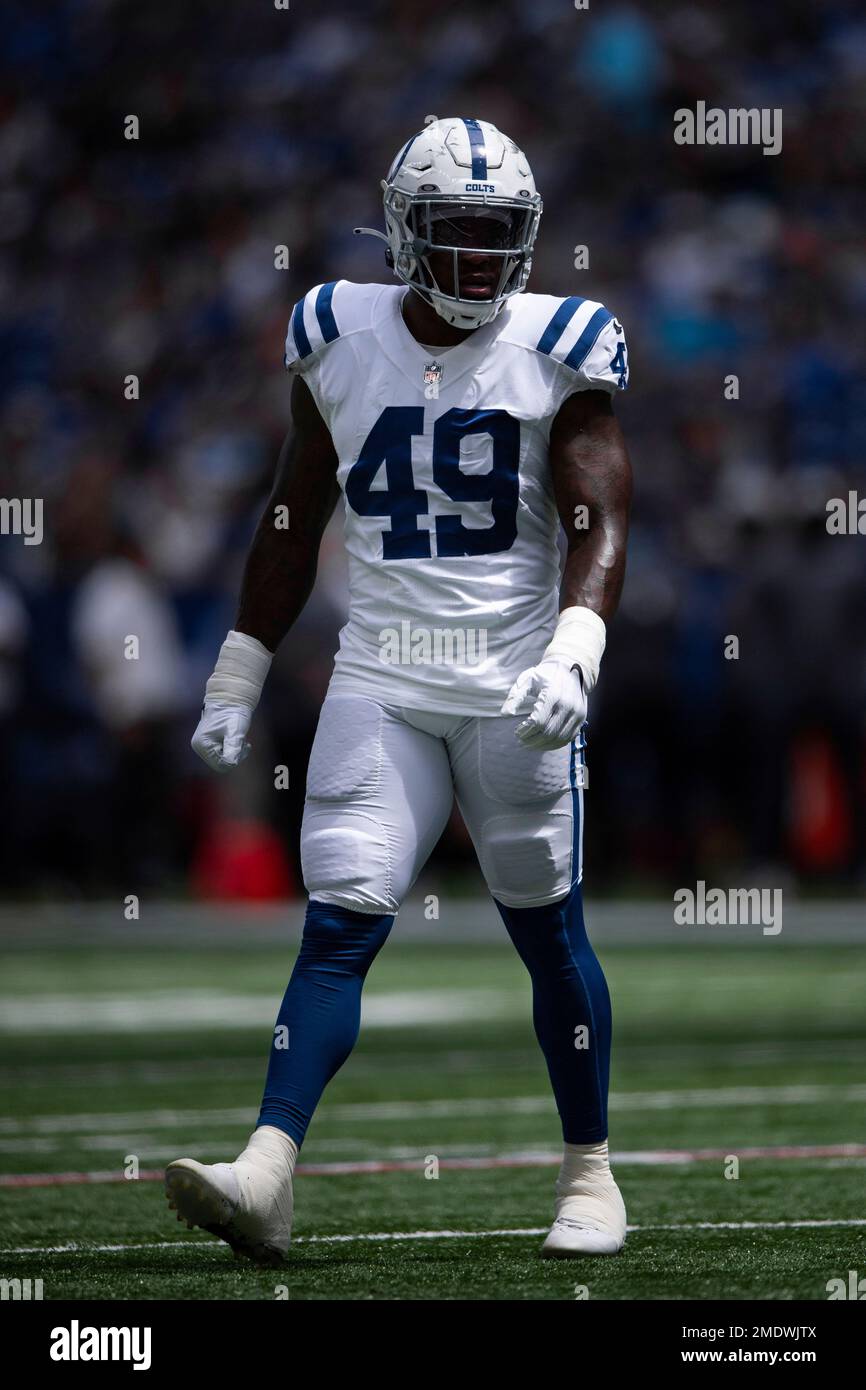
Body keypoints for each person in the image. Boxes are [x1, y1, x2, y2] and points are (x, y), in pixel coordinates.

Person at [166, 117, 632, 1263]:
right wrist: (243, 658)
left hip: (517, 681)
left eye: (498, 238)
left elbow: (599, 513)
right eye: (454, 235)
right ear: (400, 232)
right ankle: (266, 1169)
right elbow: (293, 505)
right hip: (380, 671)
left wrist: (575, 647)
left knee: (544, 928)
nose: (479, 262)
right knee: (336, 927)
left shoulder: (560, 340)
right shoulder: (335, 330)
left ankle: (590, 1173)